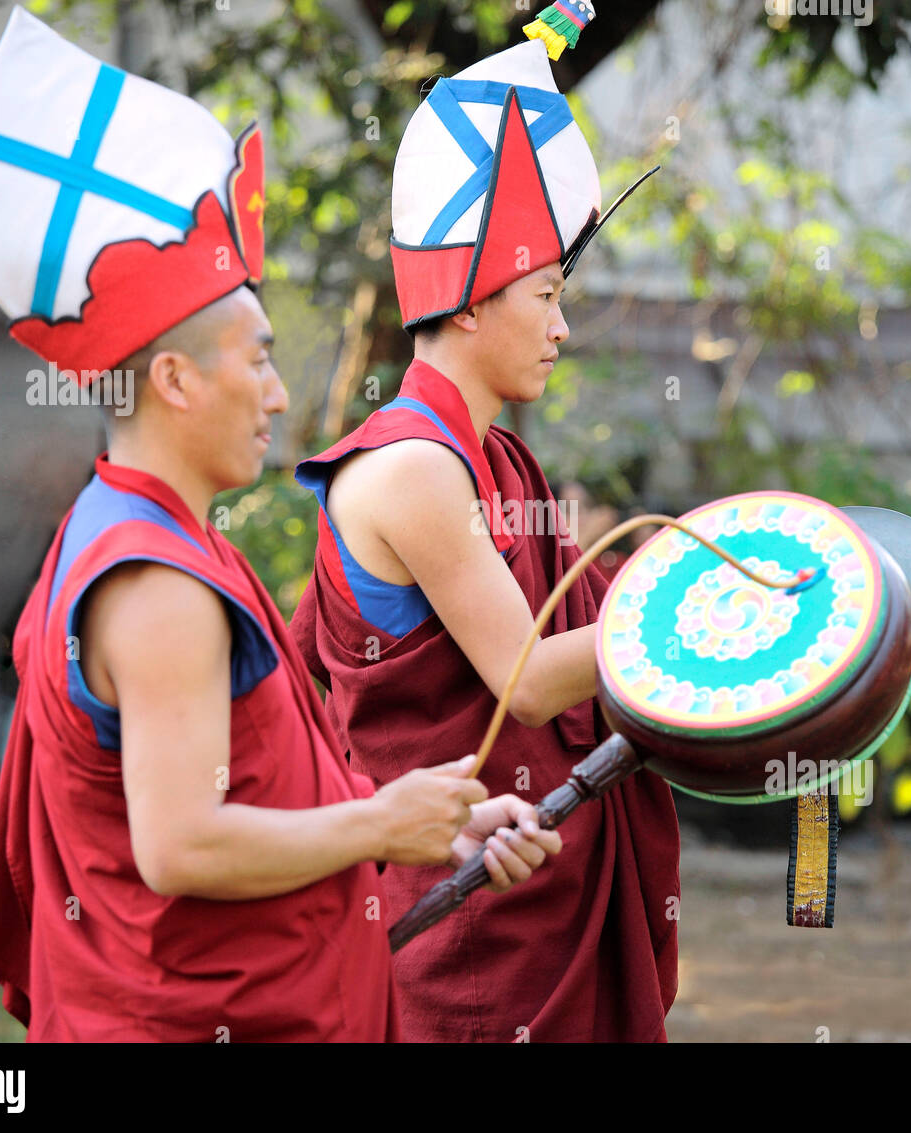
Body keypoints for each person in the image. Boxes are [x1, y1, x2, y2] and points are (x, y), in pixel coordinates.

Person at [0, 7, 558, 1043]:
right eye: (261, 359)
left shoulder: (146, 534)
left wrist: (428, 823)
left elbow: (264, 785)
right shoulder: (154, 584)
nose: (280, 395)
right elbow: (180, 845)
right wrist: (377, 821)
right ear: (177, 378)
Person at [290, 4, 681, 1043]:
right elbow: (528, 677)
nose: (560, 326)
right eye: (545, 293)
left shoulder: (494, 457)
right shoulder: (416, 466)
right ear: (467, 302)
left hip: (525, 869)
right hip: (461, 917)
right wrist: (690, 615)